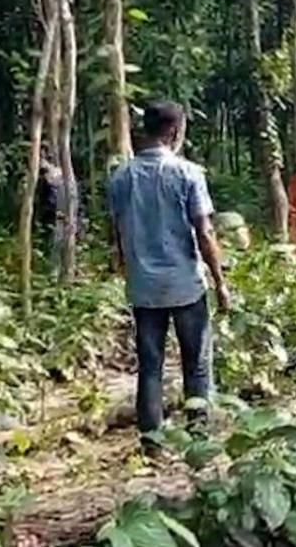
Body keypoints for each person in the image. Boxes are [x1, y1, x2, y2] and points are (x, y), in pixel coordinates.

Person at [107, 101, 231, 451]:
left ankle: (151, 444)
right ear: (176, 131)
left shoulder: (121, 176)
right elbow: (204, 233)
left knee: (150, 367)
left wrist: (125, 264)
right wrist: (220, 282)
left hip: (144, 287)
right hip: (185, 285)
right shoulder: (188, 174)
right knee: (197, 365)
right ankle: (199, 439)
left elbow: (114, 232)